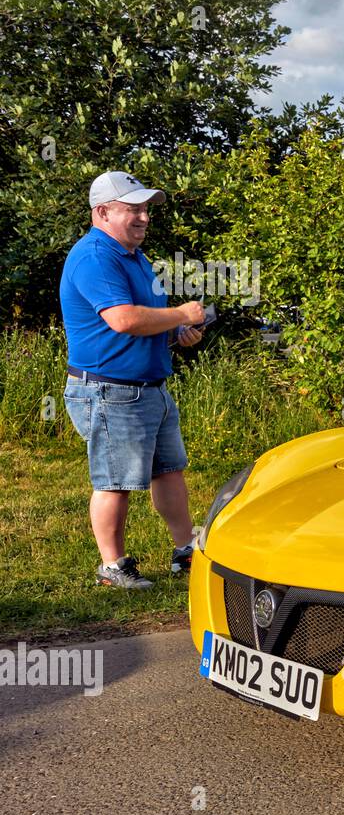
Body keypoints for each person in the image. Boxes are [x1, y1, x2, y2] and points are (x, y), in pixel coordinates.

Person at [60, 171, 207, 589]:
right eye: (134, 209)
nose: (144, 217)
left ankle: (185, 552)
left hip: (149, 387)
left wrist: (179, 333)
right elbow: (122, 320)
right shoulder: (95, 257)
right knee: (115, 481)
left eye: (146, 209)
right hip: (108, 390)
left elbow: (145, 320)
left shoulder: (133, 256)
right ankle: (112, 567)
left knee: (169, 472)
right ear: (103, 212)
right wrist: (181, 314)